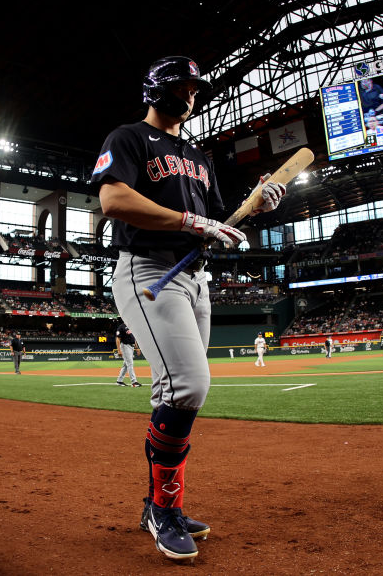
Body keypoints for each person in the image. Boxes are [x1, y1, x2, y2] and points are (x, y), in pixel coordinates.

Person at [92, 55, 287, 561]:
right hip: (150, 272)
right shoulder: (129, 138)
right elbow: (113, 201)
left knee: (179, 396)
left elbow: (217, 219)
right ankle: (164, 511)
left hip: (195, 279)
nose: (191, 95)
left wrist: (256, 205)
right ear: (157, 89)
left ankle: (158, 507)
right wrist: (190, 222)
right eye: (183, 86)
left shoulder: (198, 156)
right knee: (189, 386)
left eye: (196, 89)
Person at [115, 321, 142, 387]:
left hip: (131, 347)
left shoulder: (131, 326)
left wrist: (137, 348)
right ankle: (134, 382)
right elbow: (118, 339)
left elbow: (134, 339)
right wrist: (119, 350)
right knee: (130, 363)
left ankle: (119, 381)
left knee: (126, 365)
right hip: (125, 346)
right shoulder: (121, 327)